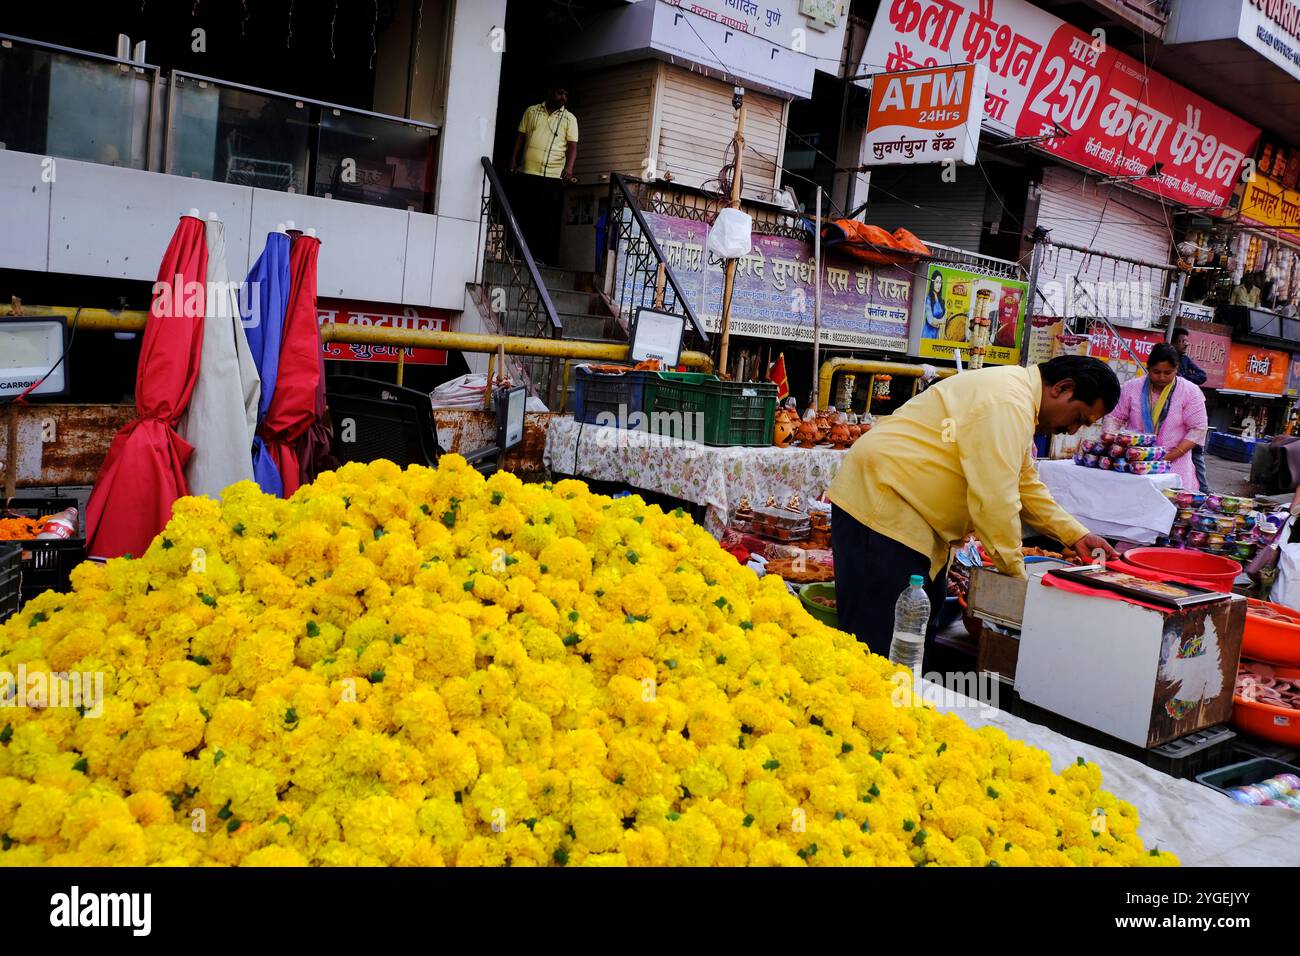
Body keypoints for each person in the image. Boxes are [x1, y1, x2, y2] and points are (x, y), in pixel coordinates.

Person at [828, 356, 1121, 663]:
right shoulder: (1007, 401)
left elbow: (1024, 484)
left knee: (913, 638)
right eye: (1079, 418)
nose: (1072, 430)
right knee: (881, 644)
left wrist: (1076, 535)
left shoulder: (1016, 399)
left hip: (912, 521)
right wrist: (1015, 574)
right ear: (1063, 388)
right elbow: (995, 499)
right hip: (884, 510)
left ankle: (900, 704)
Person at [1103, 342, 1208, 491]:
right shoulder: (1131, 387)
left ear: (1176, 369)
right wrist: (1112, 446)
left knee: (1169, 506)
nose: (1162, 377)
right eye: (1156, 372)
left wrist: (1167, 458)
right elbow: (1114, 418)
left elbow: (1198, 430)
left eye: (1168, 372)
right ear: (1148, 368)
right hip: (1134, 460)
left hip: (1174, 463)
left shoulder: (1190, 391)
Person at [508, 83, 579, 264]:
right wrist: (513, 161)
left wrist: (569, 169)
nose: (563, 97)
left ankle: (539, 258)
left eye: (566, 94)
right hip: (528, 172)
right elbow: (521, 137)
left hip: (553, 176)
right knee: (524, 214)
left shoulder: (569, 118)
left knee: (545, 218)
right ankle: (518, 254)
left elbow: (572, 146)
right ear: (550, 91)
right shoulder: (531, 111)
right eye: (560, 92)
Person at [1171, 326, 1210, 493]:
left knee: (1196, 454)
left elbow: (1202, 375)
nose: (1185, 344)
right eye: (1181, 341)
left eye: (1186, 341)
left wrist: (1184, 379)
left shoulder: (1185, 361)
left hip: (1189, 421)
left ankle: (1203, 489)